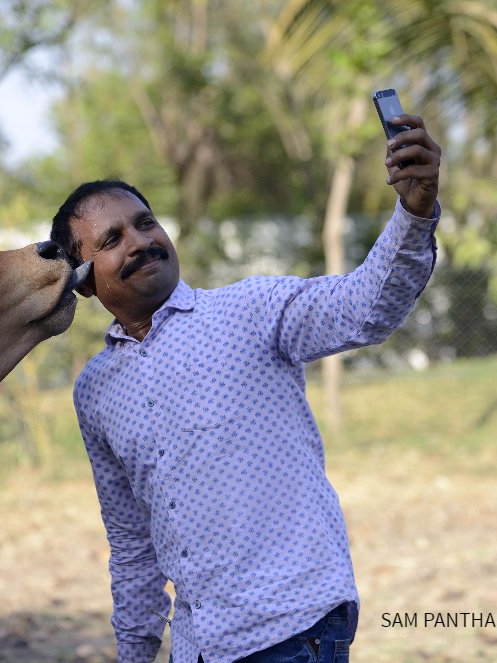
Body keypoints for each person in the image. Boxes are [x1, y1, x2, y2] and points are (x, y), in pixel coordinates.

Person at [49, 115, 442, 663]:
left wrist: (415, 212)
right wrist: (135, 652)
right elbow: (133, 543)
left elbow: (365, 308)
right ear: (85, 281)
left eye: (146, 223)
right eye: (112, 239)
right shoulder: (95, 391)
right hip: (199, 648)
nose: (140, 242)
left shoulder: (250, 312)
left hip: (292, 628)